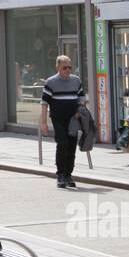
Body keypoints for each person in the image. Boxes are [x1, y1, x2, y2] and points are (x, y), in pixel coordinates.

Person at [40, 55, 85, 189]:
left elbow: (81, 99)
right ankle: (60, 175)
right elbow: (44, 103)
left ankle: (68, 174)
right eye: (64, 67)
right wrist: (43, 122)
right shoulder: (51, 82)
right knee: (62, 143)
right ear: (58, 67)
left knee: (71, 147)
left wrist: (80, 111)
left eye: (69, 67)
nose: (67, 70)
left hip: (73, 119)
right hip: (58, 118)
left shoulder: (76, 81)